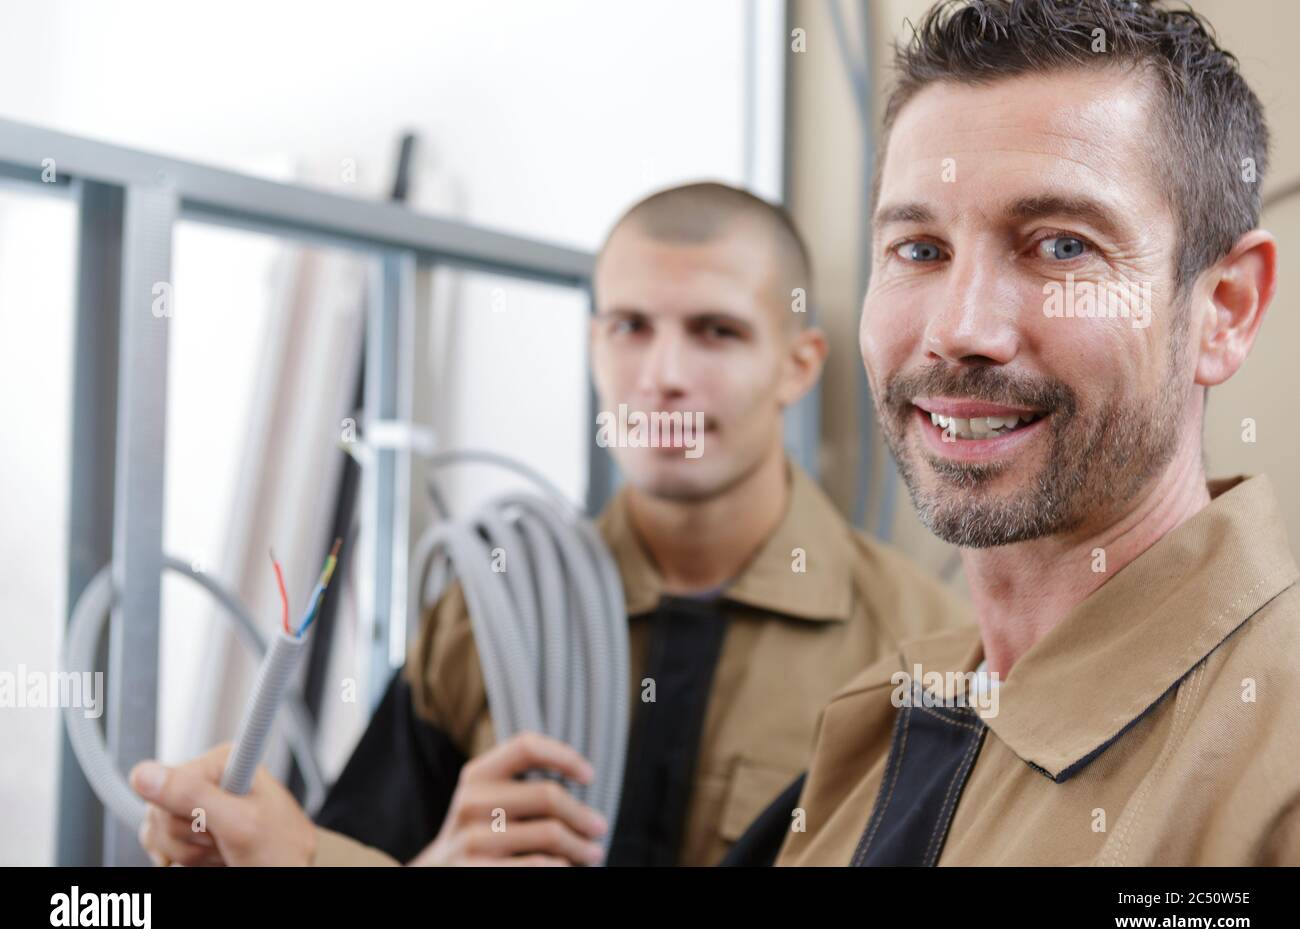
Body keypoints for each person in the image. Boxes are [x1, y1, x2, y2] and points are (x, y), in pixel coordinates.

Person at [129, 182, 971, 867]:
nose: (663, 376)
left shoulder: (921, 654)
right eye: (630, 327)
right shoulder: (488, 615)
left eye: (716, 332)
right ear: (594, 346)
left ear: (797, 366)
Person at [734, 0, 1299, 866]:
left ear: (1225, 309)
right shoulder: (880, 727)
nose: (961, 328)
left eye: (1061, 246)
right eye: (919, 250)